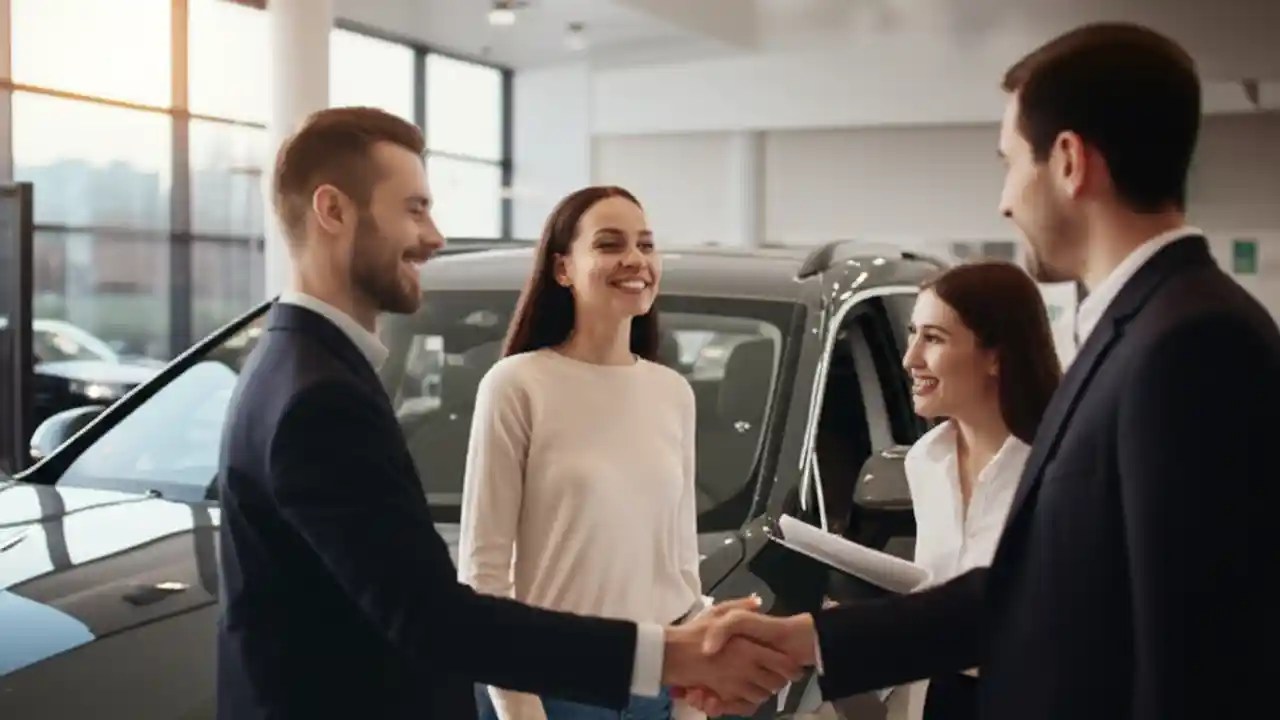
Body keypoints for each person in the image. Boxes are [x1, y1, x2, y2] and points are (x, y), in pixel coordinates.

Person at [683, 22, 1279, 720]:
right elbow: (1039, 591)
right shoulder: (1143, 329)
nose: (1004, 200)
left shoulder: (1192, 341)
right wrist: (806, 638)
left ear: (1067, 162)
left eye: (1009, 162)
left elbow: (1199, 654)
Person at [214, 106, 802, 720]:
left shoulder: (297, 368)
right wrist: (666, 656)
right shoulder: (320, 395)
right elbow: (436, 617)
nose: (435, 236)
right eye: (414, 208)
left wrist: (676, 661)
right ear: (333, 211)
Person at [459, 186, 707, 720]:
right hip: (549, 688)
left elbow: (680, 564)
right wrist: (518, 706)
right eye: (610, 244)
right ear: (563, 268)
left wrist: (691, 702)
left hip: (659, 686)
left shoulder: (672, 393)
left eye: (645, 244)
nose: (635, 259)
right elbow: (484, 570)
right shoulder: (517, 384)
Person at [895, 262, 1061, 720]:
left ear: (995, 355)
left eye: (933, 338)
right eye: (913, 334)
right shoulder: (924, 461)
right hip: (943, 696)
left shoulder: (1057, 466)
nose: (910, 358)